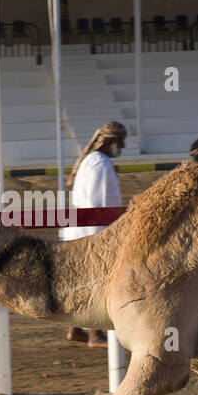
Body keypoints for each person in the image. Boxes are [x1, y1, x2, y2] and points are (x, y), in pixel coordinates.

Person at [60, 121, 126, 347]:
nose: (124, 146)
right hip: (91, 232)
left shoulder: (92, 160)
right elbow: (95, 206)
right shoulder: (101, 163)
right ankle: (95, 336)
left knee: (84, 283)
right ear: (110, 141)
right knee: (97, 283)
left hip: (81, 231)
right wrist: (104, 239)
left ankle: (76, 329)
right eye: (121, 140)